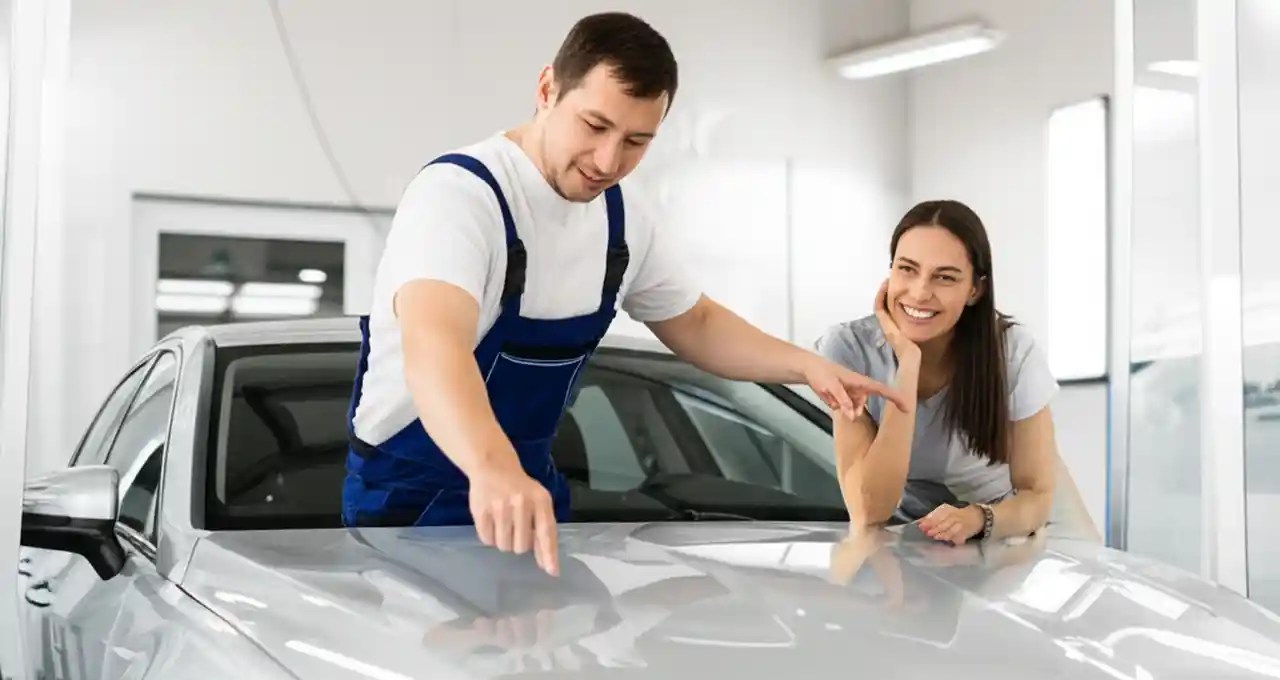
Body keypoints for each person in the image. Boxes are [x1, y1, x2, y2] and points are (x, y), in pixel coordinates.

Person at [343, 11, 908, 576]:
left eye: (637, 141)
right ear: (547, 89)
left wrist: (807, 366)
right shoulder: (460, 197)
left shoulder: (622, 220)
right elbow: (434, 345)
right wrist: (493, 470)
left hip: (529, 496)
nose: (609, 162)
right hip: (409, 510)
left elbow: (697, 323)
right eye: (594, 126)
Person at [816, 199, 1061, 545]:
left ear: (975, 290)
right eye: (907, 269)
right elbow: (869, 511)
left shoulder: (1013, 352)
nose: (919, 292)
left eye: (944, 277)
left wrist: (978, 518)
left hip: (1001, 541)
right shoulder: (848, 349)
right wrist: (907, 364)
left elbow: (1037, 496)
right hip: (903, 548)